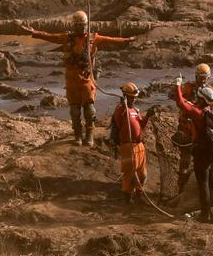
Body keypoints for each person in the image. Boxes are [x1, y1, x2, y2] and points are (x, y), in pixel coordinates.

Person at [21, 11, 131, 146]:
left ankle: (89, 135)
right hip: (72, 79)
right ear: (74, 25)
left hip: (86, 79)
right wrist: (35, 32)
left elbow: (111, 40)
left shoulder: (93, 38)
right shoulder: (66, 38)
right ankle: (78, 135)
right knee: (74, 110)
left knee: (89, 109)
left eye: (83, 25)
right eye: (78, 25)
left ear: (87, 25)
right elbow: (50, 37)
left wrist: (127, 40)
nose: (81, 28)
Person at [173, 74, 213, 222]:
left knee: (203, 182)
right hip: (210, 150)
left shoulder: (197, 113)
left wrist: (177, 85)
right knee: (209, 178)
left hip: (201, 150)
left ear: (201, 99)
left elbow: (181, 103)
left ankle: (205, 213)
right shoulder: (210, 110)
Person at [175, 63, 213, 197]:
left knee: (202, 163)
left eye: (205, 78)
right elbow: (179, 100)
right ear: (196, 76)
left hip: (199, 131)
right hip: (186, 128)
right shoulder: (189, 88)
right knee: (184, 162)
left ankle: (199, 189)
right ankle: (182, 190)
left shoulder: (209, 90)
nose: (203, 80)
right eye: (201, 77)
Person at [112, 82, 149, 202]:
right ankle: (127, 197)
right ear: (125, 96)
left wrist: (148, 115)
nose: (133, 99)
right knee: (130, 173)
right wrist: (124, 104)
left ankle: (139, 193)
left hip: (139, 145)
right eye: (131, 97)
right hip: (128, 146)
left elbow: (141, 124)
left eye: (134, 98)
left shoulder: (135, 110)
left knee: (142, 174)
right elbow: (118, 122)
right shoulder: (121, 110)